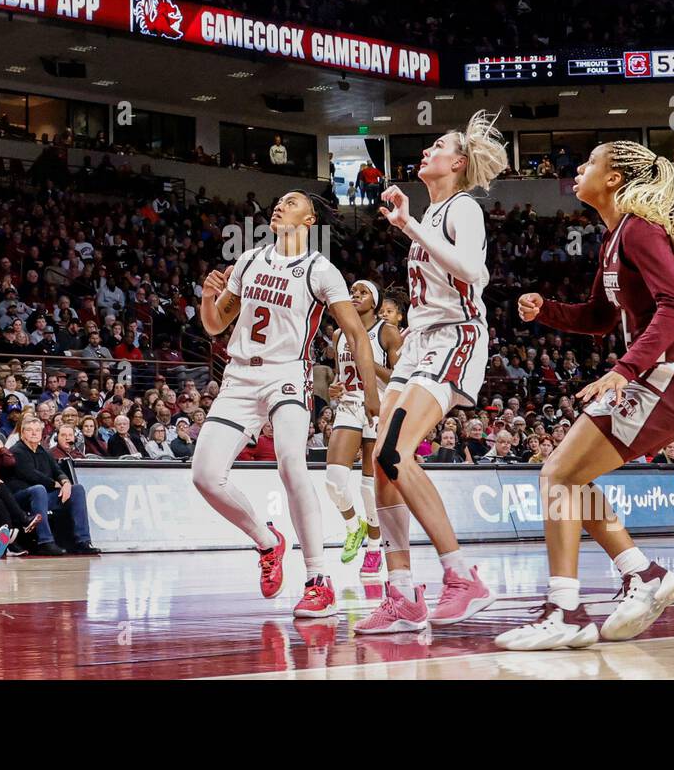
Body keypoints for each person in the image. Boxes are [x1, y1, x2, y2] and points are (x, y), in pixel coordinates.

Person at [499, 139, 674, 651]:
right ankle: (642, 573)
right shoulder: (616, 236)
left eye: (590, 161)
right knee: (567, 476)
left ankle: (565, 608)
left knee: (556, 474)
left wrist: (625, 369)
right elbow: (600, 317)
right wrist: (547, 309)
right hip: (668, 373)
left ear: (614, 177)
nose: (579, 167)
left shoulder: (640, 230)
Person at [355, 111, 508, 636]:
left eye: (438, 146)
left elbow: (472, 273)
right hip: (420, 345)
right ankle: (401, 594)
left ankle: (462, 577)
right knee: (381, 459)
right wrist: (409, 224)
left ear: (458, 162)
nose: (427, 151)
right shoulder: (435, 211)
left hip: (455, 338)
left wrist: (409, 225)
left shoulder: (463, 207)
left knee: (397, 452)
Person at [196, 190, 380, 619]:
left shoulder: (321, 270)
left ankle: (319, 579)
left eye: (292, 202)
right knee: (204, 475)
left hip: (286, 375)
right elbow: (214, 325)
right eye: (277, 201)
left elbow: (356, 335)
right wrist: (208, 296)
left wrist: (372, 398)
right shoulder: (249, 260)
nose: (280, 205)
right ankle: (268, 541)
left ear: (310, 218)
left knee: (290, 463)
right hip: (239, 375)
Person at [325, 279, 401, 578]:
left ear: (375, 300)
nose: (355, 296)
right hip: (348, 404)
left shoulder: (387, 332)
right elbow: (338, 374)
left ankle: (373, 546)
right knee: (334, 479)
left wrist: (366, 362)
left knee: (369, 487)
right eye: (352, 292)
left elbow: (399, 376)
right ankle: (352, 526)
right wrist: (334, 385)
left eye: (362, 292)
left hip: (378, 404)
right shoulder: (339, 334)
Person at [1, 417, 99, 556]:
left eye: (37, 430)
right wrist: (55, 484)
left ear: (42, 433)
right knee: (39, 488)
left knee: (77, 489)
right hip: (21, 498)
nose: (34, 433)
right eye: (30, 430)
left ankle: (83, 541)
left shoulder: (44, 451)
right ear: (22, 433)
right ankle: (45, 542)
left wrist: (65, 482)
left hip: (43, 497)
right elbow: (31, 475)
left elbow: (57, 470)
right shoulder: (16, 451)